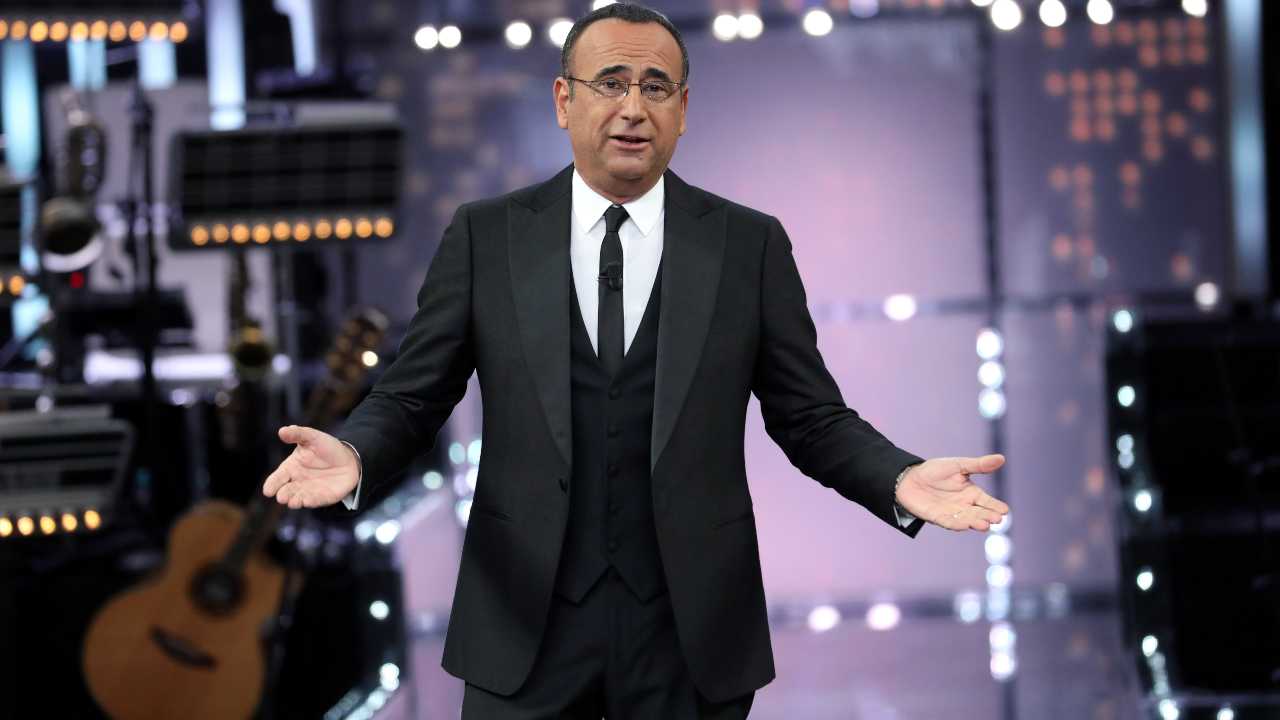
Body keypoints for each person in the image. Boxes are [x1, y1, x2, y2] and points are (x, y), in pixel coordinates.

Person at [261, 3, 1010, 718]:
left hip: (689, 629)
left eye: (655, 87)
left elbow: (809, 417)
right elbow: (414, 395)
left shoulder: (747, 245)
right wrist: (356, 452)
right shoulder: (486, 237)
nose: (632, 108)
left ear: (683, 109)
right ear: (564, 101)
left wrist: (897, 477)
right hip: (522, 620)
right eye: (611, 83)